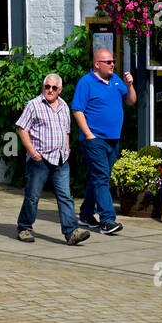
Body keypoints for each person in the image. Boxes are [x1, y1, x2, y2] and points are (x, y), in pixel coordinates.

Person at [15, 73, 90, 245]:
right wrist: (33, 153)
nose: (49, 90)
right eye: (47, 86)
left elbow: (66, 131)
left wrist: (67, 148)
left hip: (61, 159)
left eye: (54, 88)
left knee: (65, 196)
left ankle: (71, 233)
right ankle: (24, 227)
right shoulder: (33, 105)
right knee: (33, 197)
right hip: (39, 160)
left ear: (60, 90)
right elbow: (22, 129)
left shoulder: (64, 105)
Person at [73, 46, 137, 235]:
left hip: (113, 139)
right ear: (97, 64)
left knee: (99, 176)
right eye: (108, 62)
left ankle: (85, 213)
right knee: (101, 177)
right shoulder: (86, 82)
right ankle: (108, 220)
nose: (112, 64)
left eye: (113, 61)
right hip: (94, 139)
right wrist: (89, 135)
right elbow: (77, 110)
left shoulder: (116, 80)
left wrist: (130, 85)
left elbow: (131, 101)